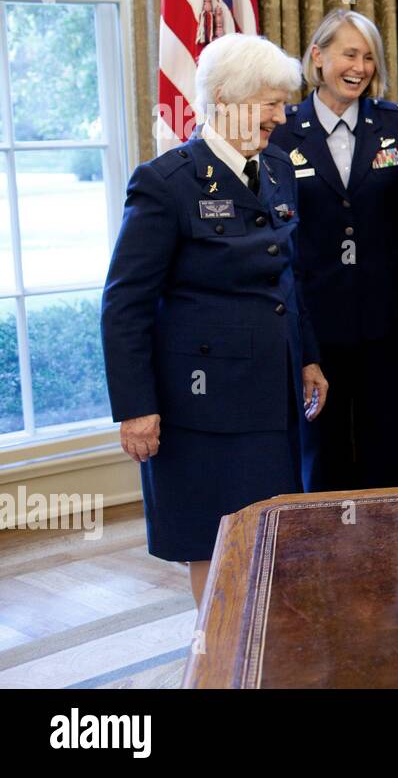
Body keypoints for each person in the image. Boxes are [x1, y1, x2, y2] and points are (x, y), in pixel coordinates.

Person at [101, 33, 328, 605]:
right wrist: (135, 407)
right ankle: (218, 659)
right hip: (202, 403)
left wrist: (308, 357)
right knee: (214, 542)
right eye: (272, 102)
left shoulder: (276, 167)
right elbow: (125, 303)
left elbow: (288, 276)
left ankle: (260, 655)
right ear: (227, 99)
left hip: (271, 393)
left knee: (268, 533)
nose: (283, 115)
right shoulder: (166, 182)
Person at [269, 10, 398, 491]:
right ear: (318, 57)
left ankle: (388, 552)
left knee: (386, 441)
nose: (359, 67)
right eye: (349, 53)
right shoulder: (281, 130)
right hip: (313, 319)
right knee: (320, 446)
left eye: (368, 57)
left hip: (386, 317)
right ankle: (325, 554)